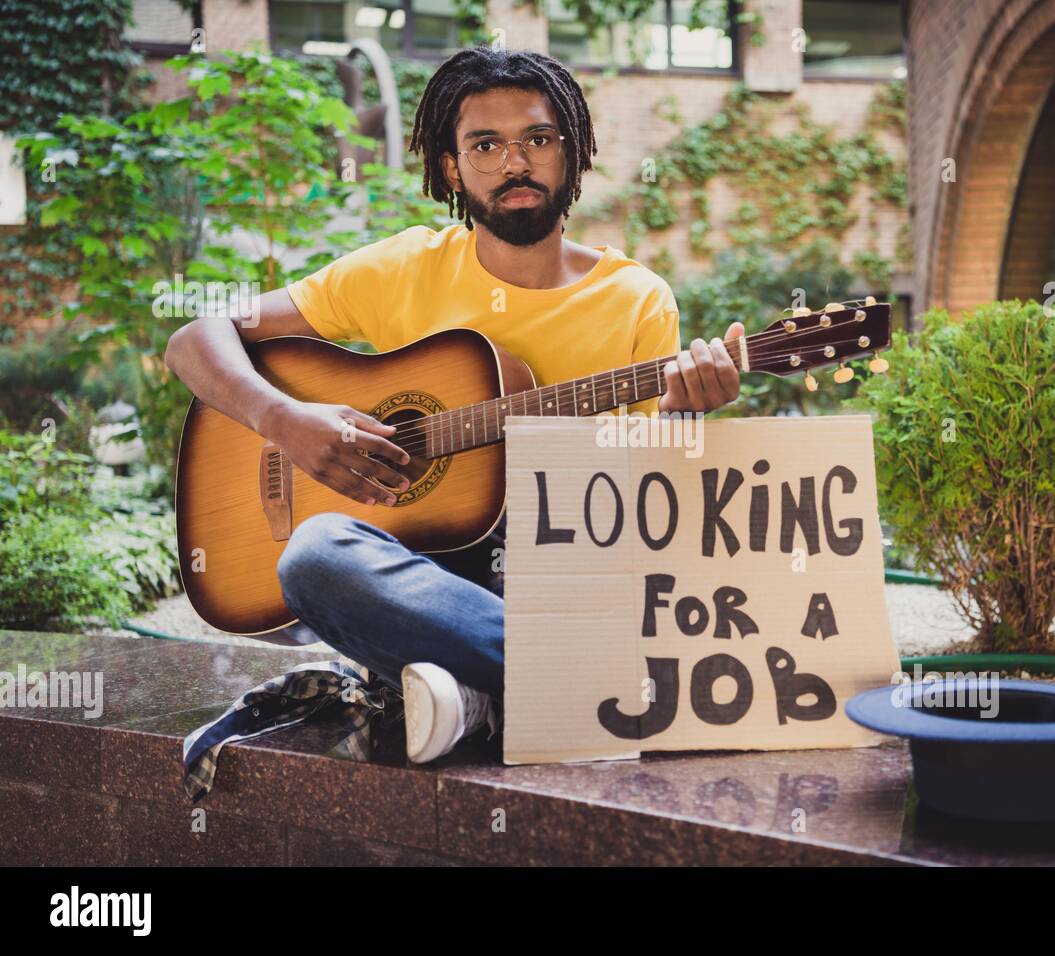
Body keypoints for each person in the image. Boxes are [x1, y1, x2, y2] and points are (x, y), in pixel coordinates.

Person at [164, 46, 742, 764]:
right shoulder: (401, 269)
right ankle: (578, 681)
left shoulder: (635, 299)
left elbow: (649, 500)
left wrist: (685, 417)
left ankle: (479, 690)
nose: (515, 163)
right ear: (450, 167)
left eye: (538, 139)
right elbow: (195, 338)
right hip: (427, 574)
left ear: (573, 153)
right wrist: (284, 420)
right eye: (485, 144)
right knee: (315, 555)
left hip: (554, 566)